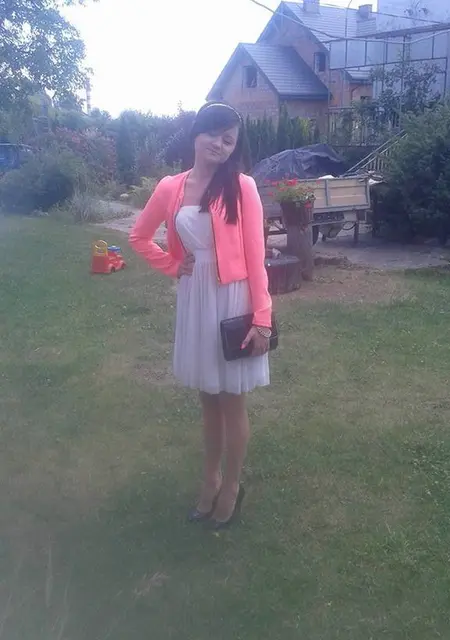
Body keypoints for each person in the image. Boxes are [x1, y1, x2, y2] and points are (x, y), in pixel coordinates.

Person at [129, 102, 272, 530]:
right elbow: (139, 236)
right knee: (208, 399)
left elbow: (256, 256)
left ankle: (232, 486)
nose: (220, 145)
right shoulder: (170, 187)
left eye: (229, 140)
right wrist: (173, 265)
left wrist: (262, 317)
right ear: (196, 134)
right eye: (214, 134)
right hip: (196, 297)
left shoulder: (242, 187)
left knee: (231, 400)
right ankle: (210, 481)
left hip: (233, 299)